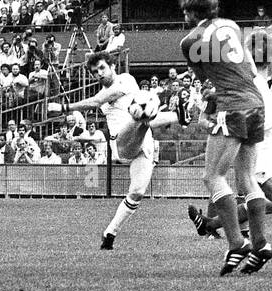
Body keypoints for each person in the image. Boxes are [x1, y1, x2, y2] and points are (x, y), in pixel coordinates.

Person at [187, 31, 272, 274]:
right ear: (270, 55)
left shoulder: (261, 82)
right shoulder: (252, 83)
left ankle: (226, 231)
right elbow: (258, 123)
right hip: (258, 152)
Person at [178, 0, 271, 275]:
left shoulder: (190, 41)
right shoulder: (231, 25)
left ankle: (236, 242)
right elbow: (251, 70)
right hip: (256, 101)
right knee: (246, 177)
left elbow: (208, 83)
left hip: (232, 106)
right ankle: (261, 243)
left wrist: (210, 99)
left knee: (212, 176)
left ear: (190, 11)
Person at [53, 50, 180, 250]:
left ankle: (109, 234)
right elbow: (98, 100)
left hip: (144, 141)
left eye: (102, 68)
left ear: (113, 66)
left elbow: (97, 101)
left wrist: (63, 108)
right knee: (141, 113)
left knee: (137, 192)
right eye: (95, 72)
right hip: (122, 142)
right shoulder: (104, 93)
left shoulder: (126, 80)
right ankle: (175, 115)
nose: (99, 74)